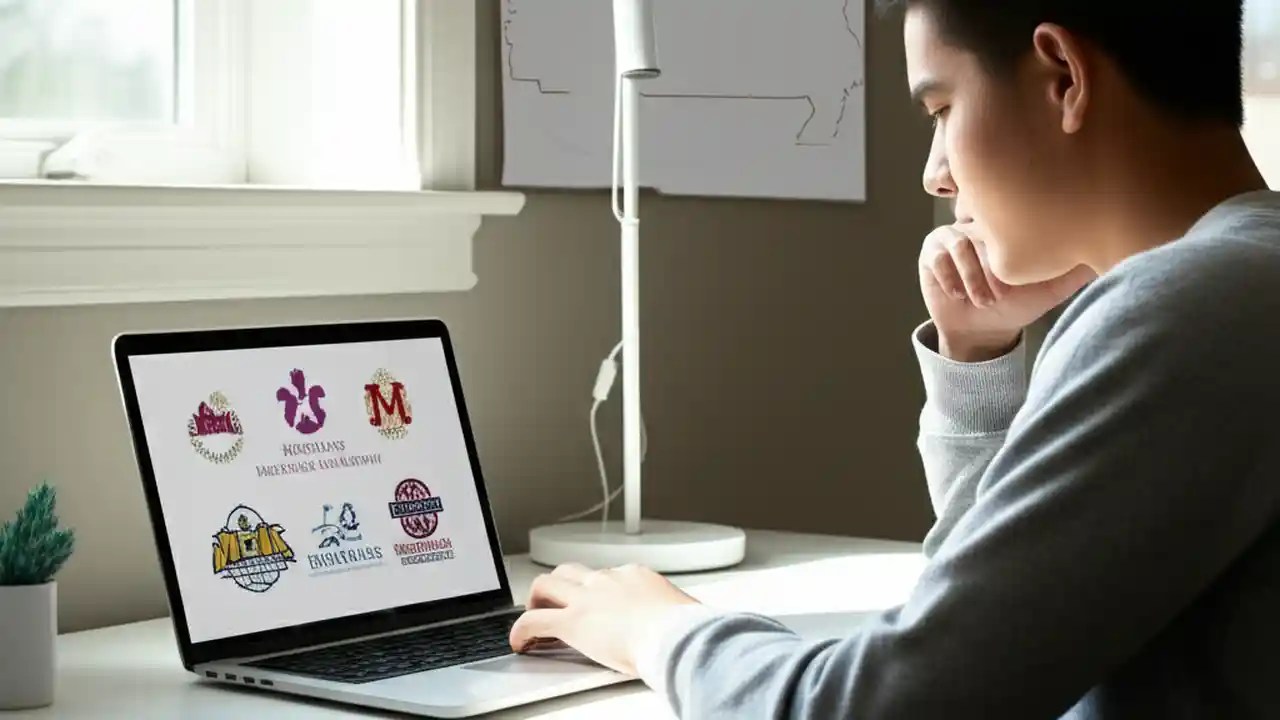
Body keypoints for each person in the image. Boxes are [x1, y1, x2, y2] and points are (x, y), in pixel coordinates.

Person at [508, 0, 1280, 716]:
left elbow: (883, 706)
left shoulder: (1191, 307)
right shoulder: (1239, 283)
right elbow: (988, 625)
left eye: (942, 110)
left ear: (1064, 78)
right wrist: (975, 357)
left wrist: (653, 629)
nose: (935, 172)